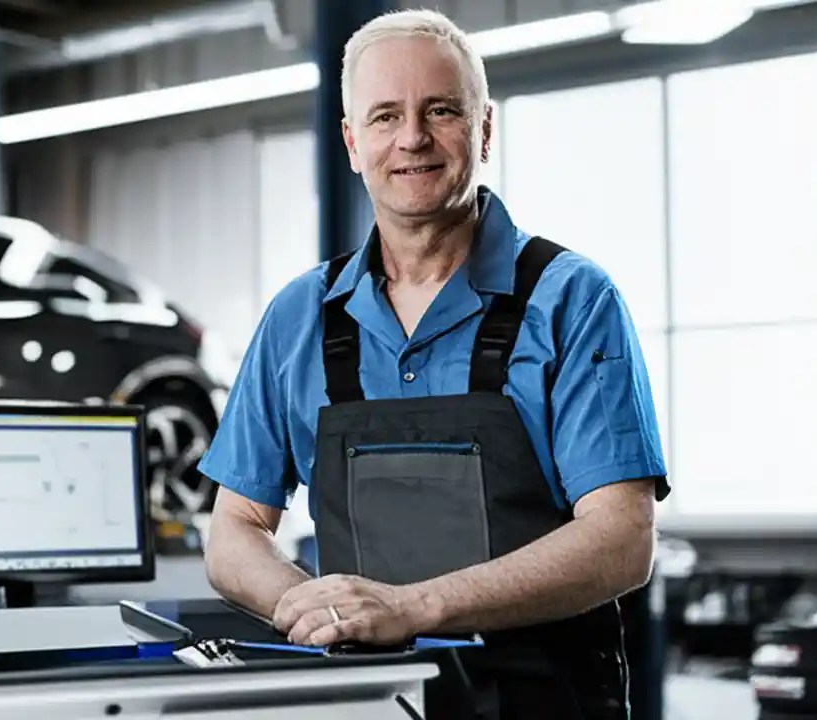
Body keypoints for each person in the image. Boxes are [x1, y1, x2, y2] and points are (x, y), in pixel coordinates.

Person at [198, 8, 670, 718]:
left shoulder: (571, 299)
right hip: (366, 702)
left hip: (544, 701)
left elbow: (622, 539)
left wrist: (412, 607)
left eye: (440, 110)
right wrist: (310, 607)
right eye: (384, 117)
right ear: (353, 143)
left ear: (483, 130)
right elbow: (234, 528)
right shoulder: (299, 317)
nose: (412, 138)